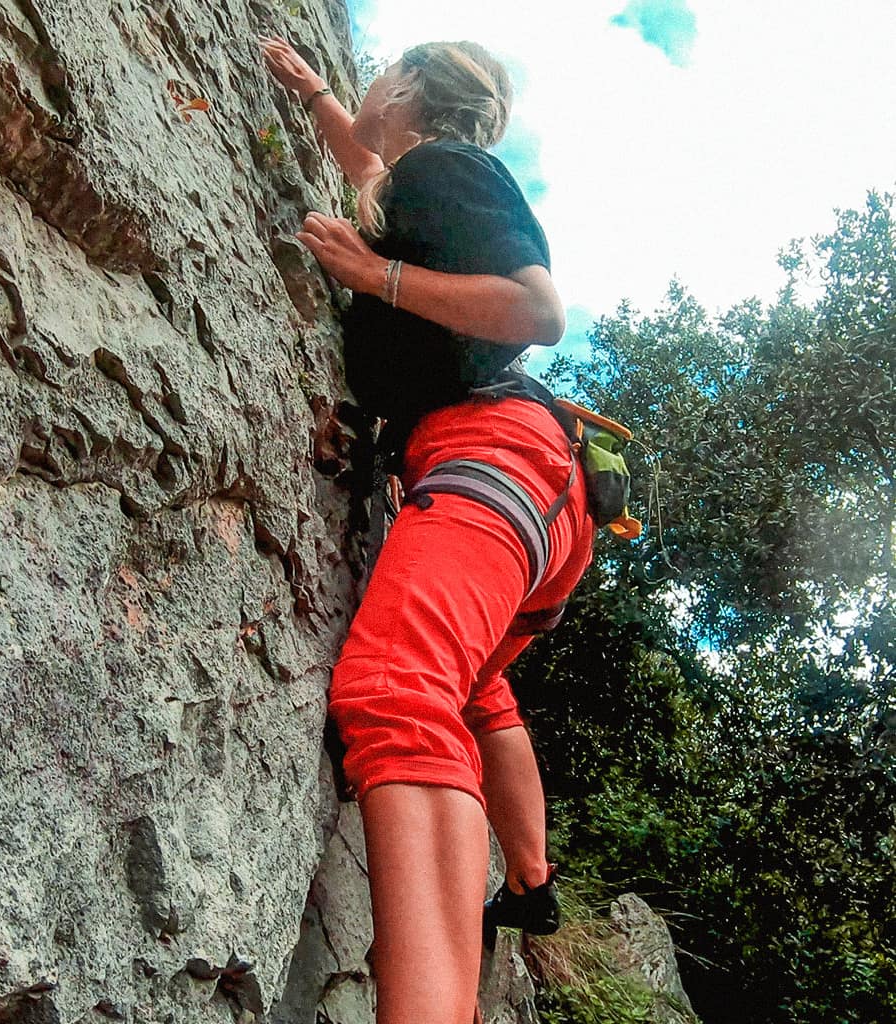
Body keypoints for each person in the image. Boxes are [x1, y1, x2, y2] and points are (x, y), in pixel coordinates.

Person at [260, 35, 596, 1024]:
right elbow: (361, 165)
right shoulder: (408, 183)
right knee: (469, 687)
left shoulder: (445, 169)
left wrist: (373, 279)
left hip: (491, 456)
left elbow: (536, 311)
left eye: (374, 75)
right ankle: (530, 879)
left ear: (405, 85)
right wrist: (316, 89)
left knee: (395, 691)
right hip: (537, 501)